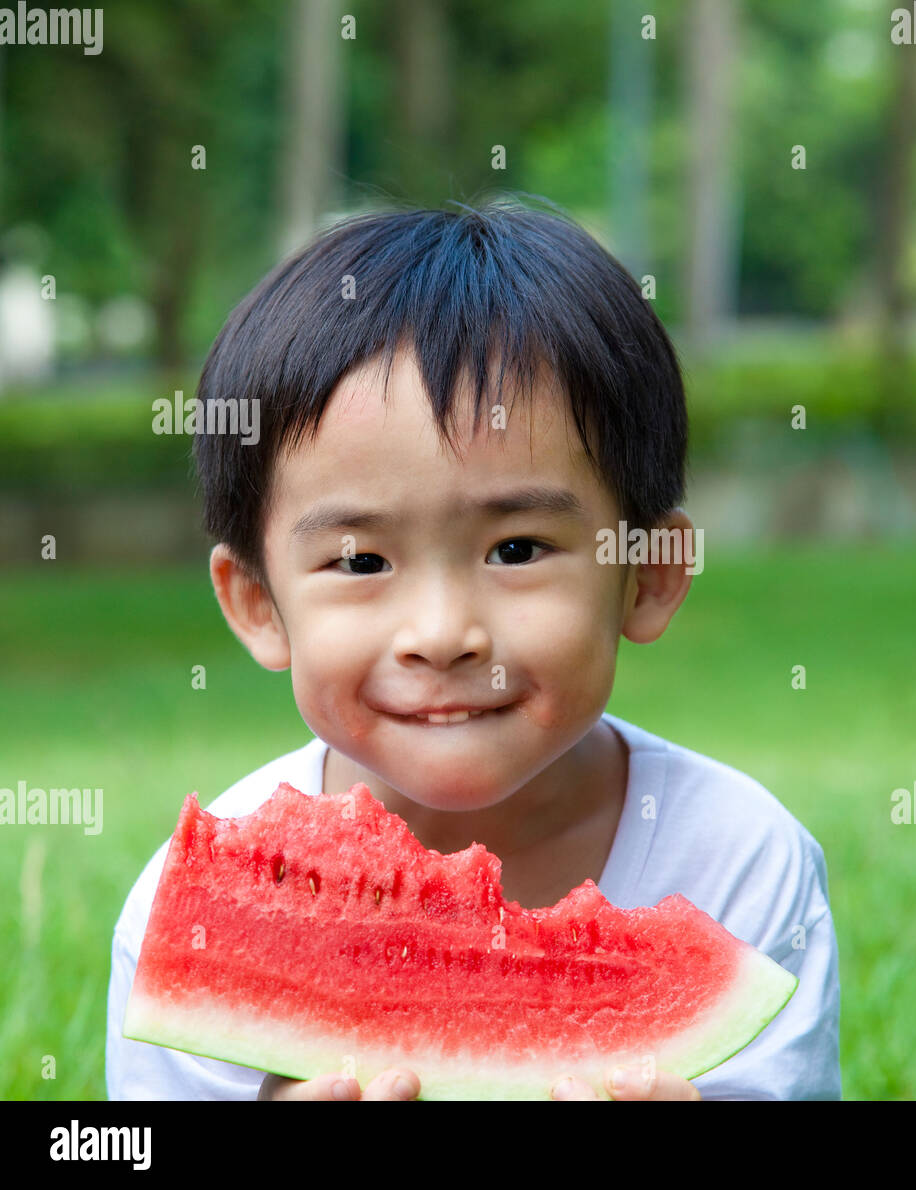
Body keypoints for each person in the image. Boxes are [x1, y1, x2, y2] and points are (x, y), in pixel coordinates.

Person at [106, 195, 840, 1101]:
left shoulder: (738, 861)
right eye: (361, 560)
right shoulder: (196, 913)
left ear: (647, 574)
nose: (445, 634)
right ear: (258, 603)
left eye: (517, 550)